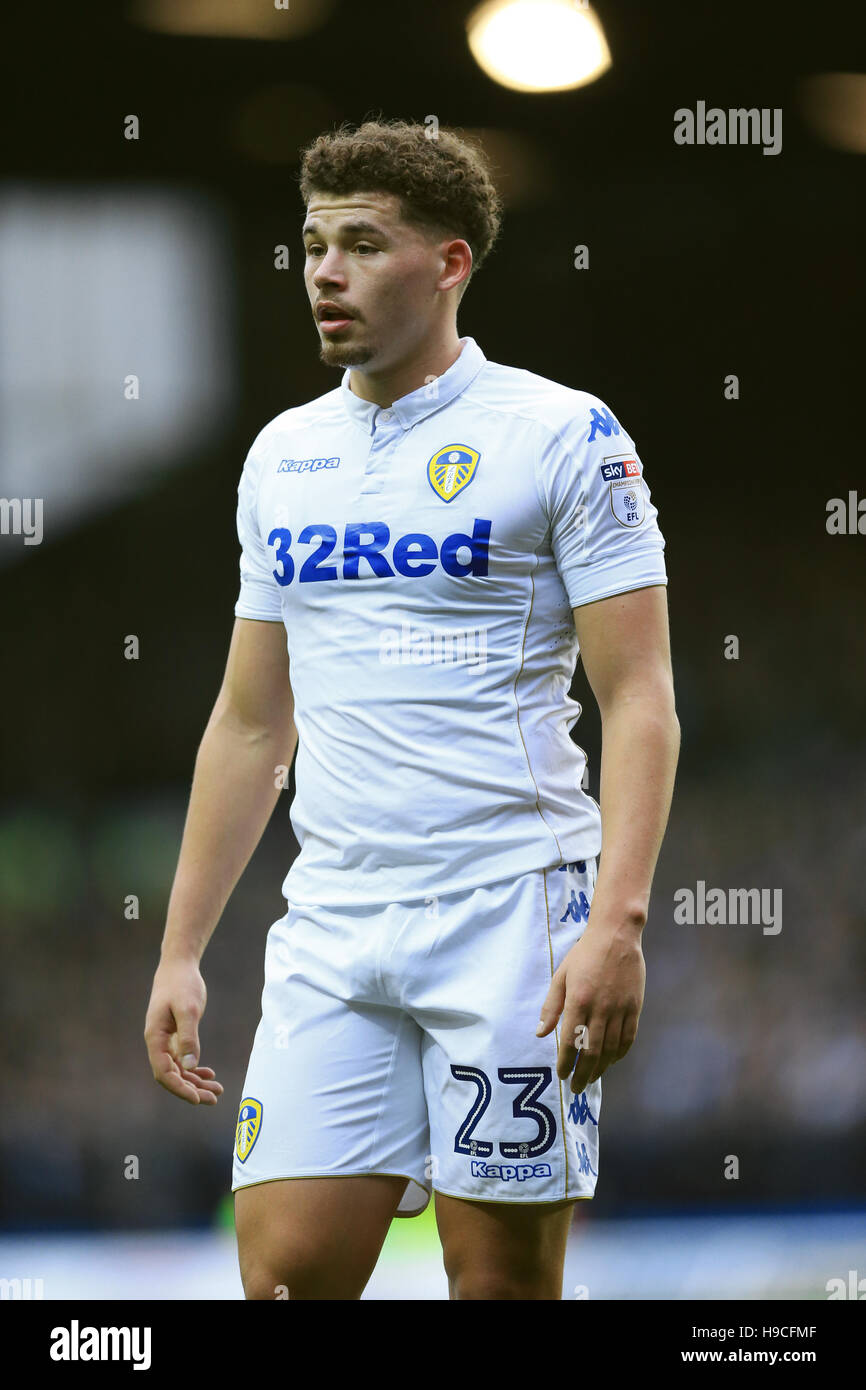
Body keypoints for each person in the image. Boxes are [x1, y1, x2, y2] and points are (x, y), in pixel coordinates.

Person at [144, 118, 680, 1301]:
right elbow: (248, 725)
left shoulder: (560, 435)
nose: (324, 271)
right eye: (310, 244)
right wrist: (181, 946)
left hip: (511, 919)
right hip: (333, 925)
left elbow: (636, 692)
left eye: (361, 243)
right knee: (281, 1280)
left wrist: (618, 922)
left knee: (495, 1287)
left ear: (448, 264)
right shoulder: (281, 457)